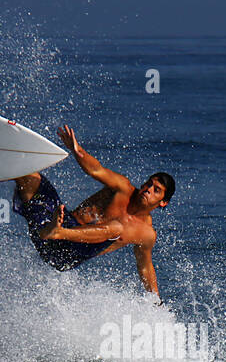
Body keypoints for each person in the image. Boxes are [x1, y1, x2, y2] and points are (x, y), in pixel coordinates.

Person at [12, 125, 174, 297]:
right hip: (53, 226)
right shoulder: (122, 188)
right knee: (29, 175)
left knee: (119, 229)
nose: (149, 189)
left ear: (163, 202)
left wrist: (155, 302)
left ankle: (58, 232)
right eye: (149, 184)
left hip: (65, 255)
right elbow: (95, 169)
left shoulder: (146, 234)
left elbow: (145, 266)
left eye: (156, 190)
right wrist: (76, 149)